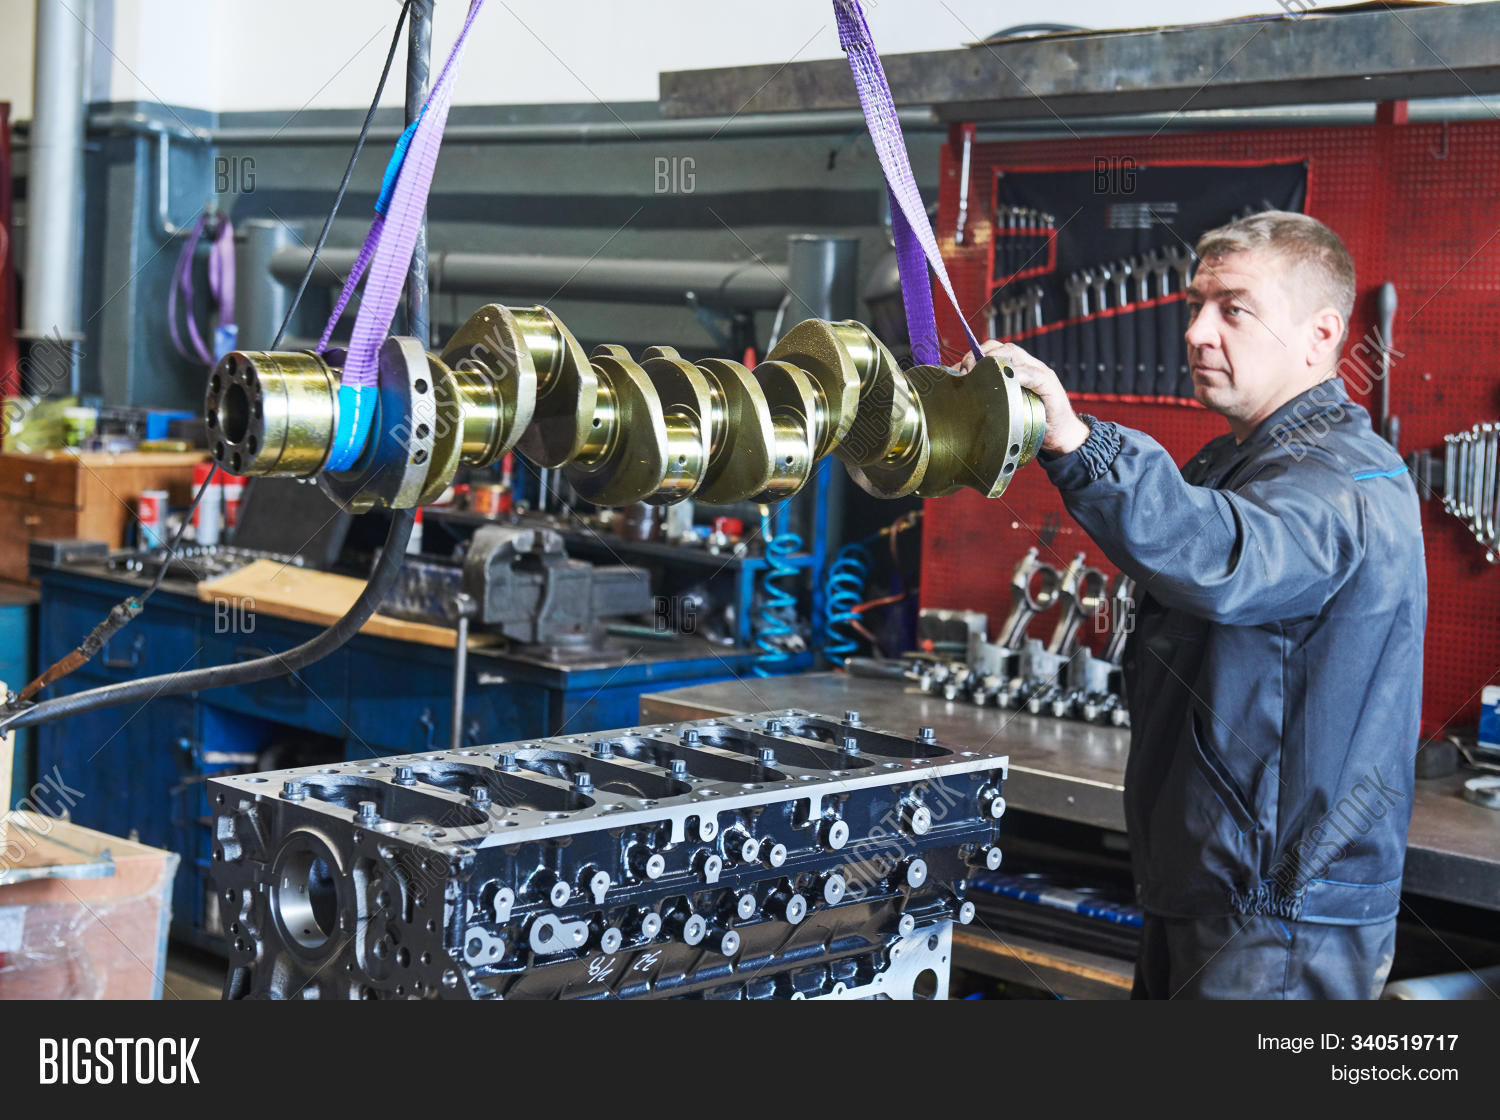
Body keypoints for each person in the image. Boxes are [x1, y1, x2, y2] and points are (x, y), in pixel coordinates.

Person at [962, 212, 1426, 999]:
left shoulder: (1338, 480)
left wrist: (1077, 442)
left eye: (1234, 309)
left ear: (1320, 337)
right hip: (1220, 889)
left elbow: (1225, 557)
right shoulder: (1245, 459)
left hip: (1278, 918)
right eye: (1194, 305)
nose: (1199, 333)